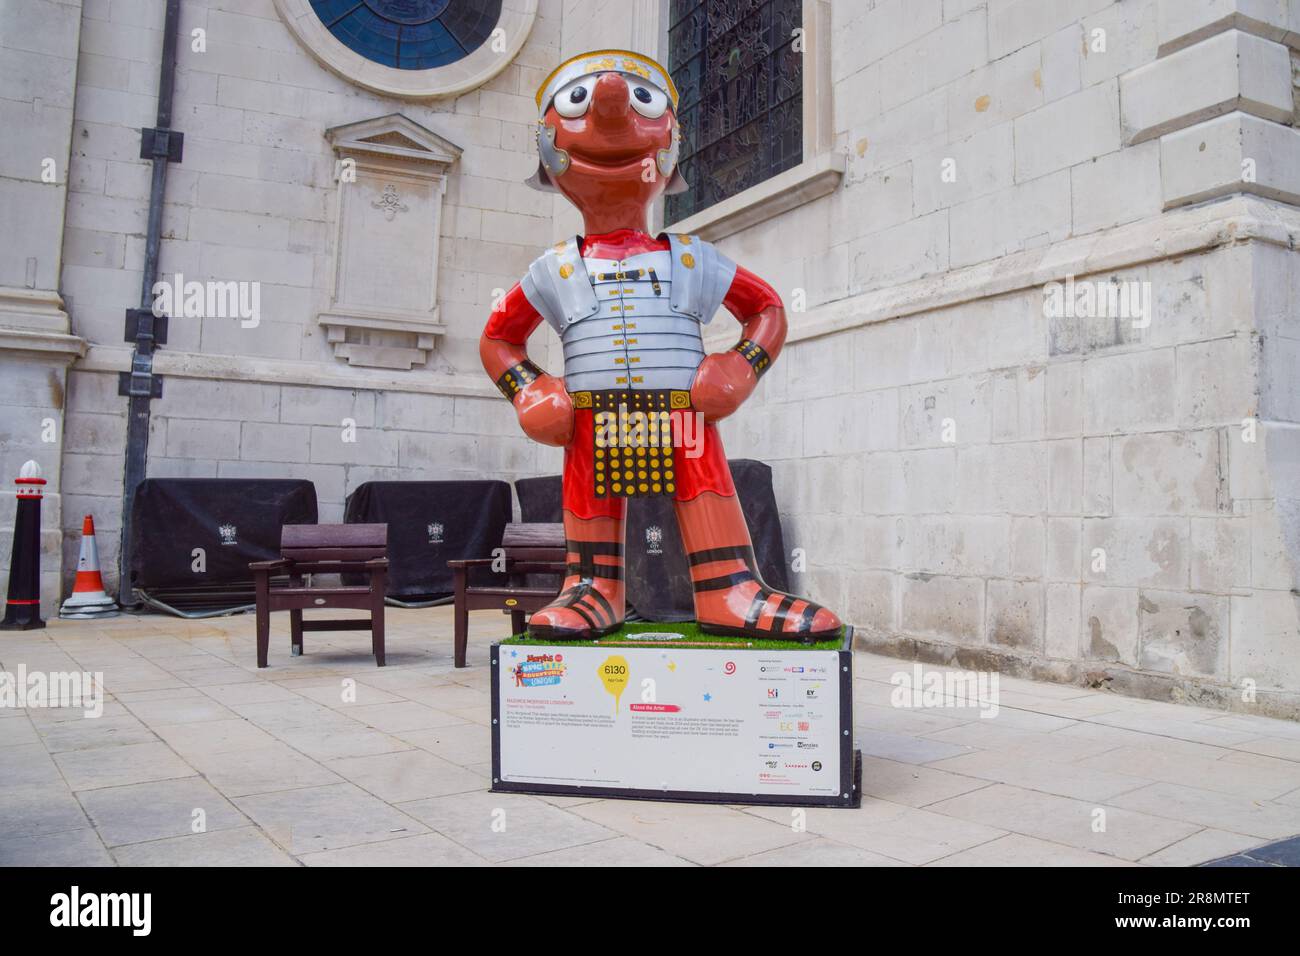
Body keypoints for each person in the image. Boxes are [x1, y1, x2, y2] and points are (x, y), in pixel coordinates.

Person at [480, 50, 842, 642]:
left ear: (668, 147)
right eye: (579, 105)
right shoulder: (554, 269)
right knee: (592, 486)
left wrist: (740, 366)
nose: (611, 110)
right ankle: (594, 587)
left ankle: (728, 587)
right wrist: (530, 389)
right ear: (549, 151)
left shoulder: (693, 258)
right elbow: (498, 337)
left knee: (703, 481)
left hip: (682, 411)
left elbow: (767, 309)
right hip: (592, 419)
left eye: (640, 106)